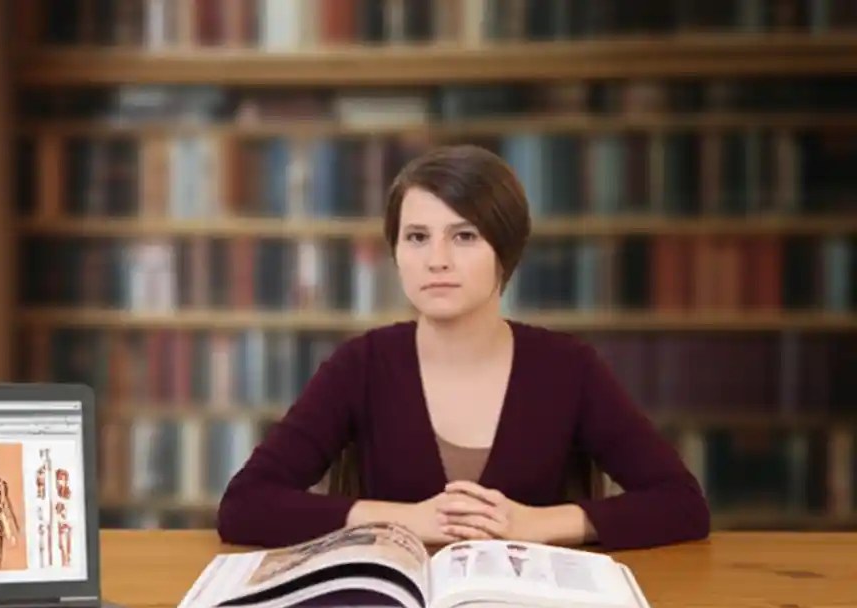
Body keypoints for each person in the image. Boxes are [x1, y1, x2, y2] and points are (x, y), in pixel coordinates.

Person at [216, 144, 710, 552]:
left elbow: (681, 503)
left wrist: (534, 524)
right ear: (396, 254)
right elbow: (246, 505)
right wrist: (404, 520)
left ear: (506, 251)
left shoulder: (568, 368)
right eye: (416, 237)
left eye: (465, 236)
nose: (437, 260)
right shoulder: (361, 365)